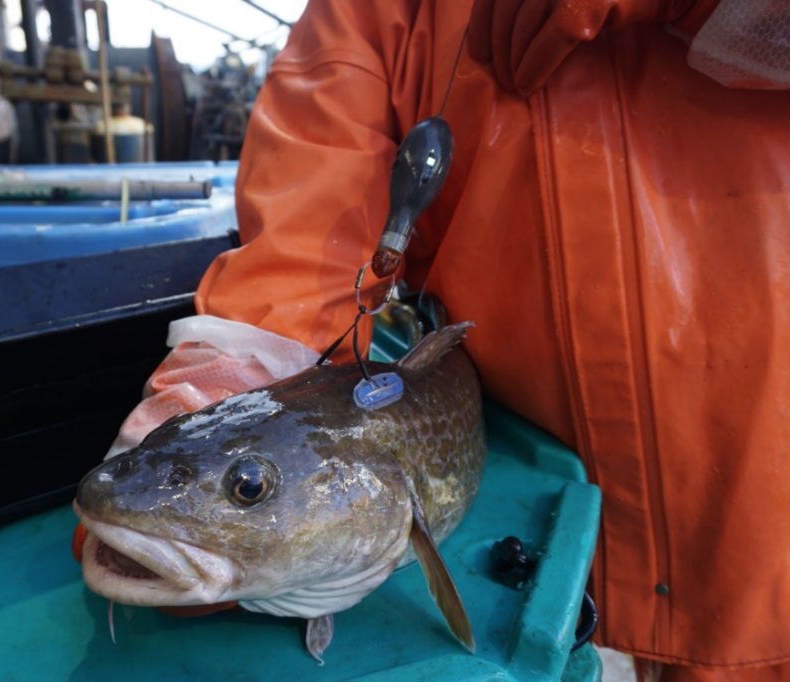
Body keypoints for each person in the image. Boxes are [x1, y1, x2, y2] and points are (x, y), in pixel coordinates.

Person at [106, 1, 790, 679]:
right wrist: (238, 362)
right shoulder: (362, 14)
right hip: (540, 486)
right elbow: (308, 220)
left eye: (250, 487)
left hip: (763, 485)